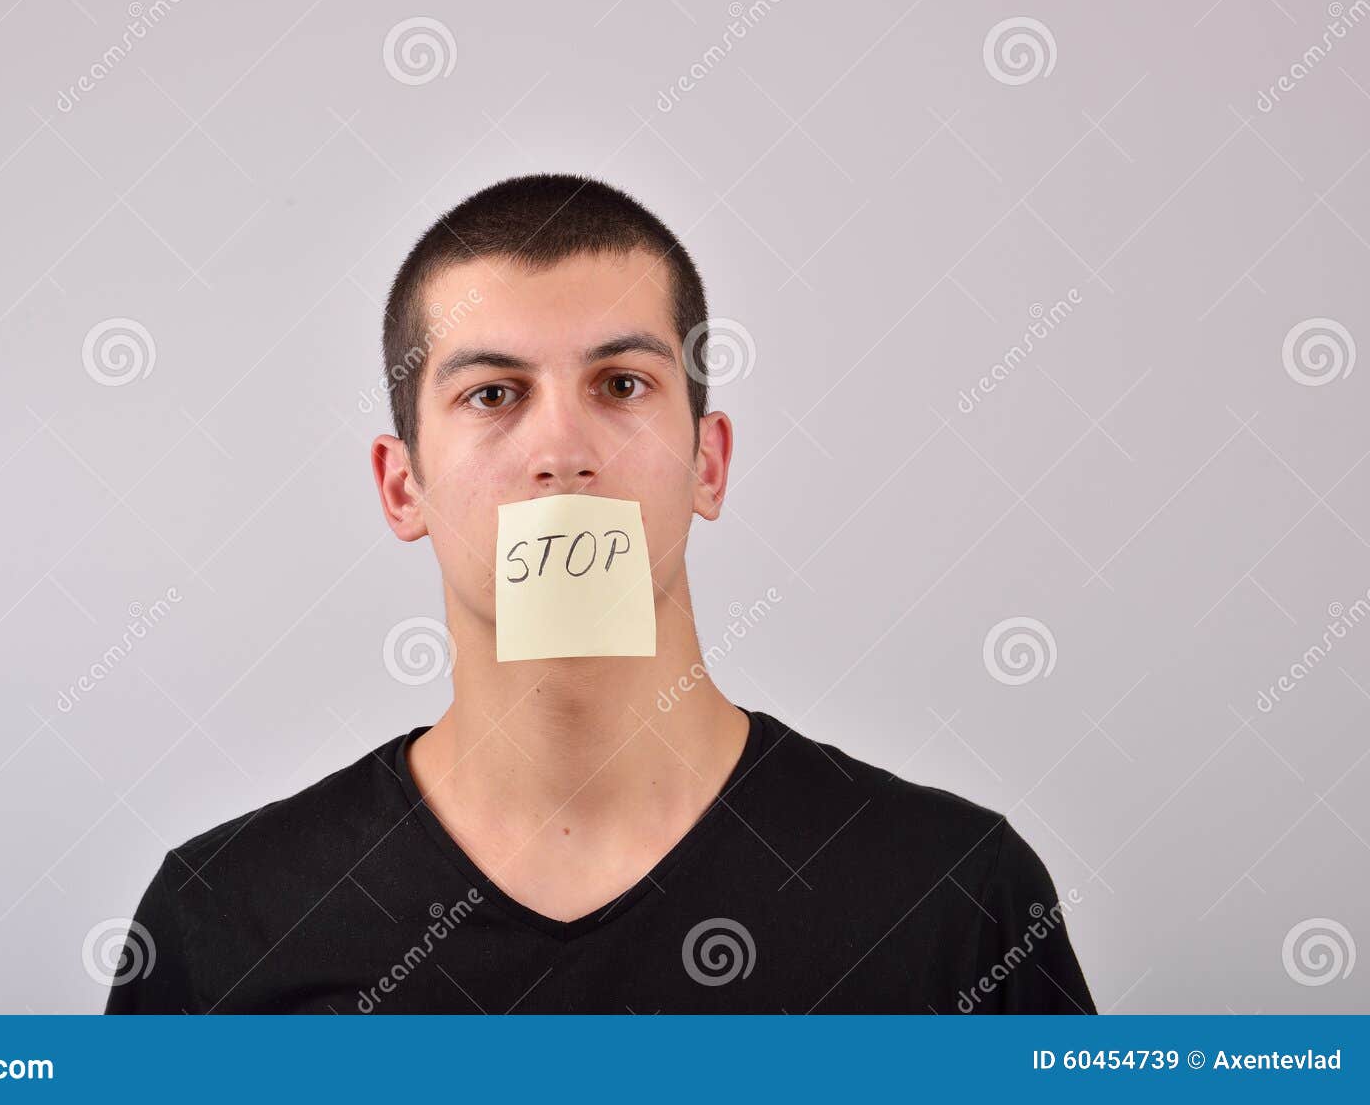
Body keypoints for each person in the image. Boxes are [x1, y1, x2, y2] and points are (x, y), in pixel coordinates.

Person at [104, 173, 1096, 1014]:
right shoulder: (223, 922)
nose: (561, 452)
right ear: (401, 486)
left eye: (621, 386)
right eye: (492, 394)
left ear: (707, 464)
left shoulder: (955, 898)